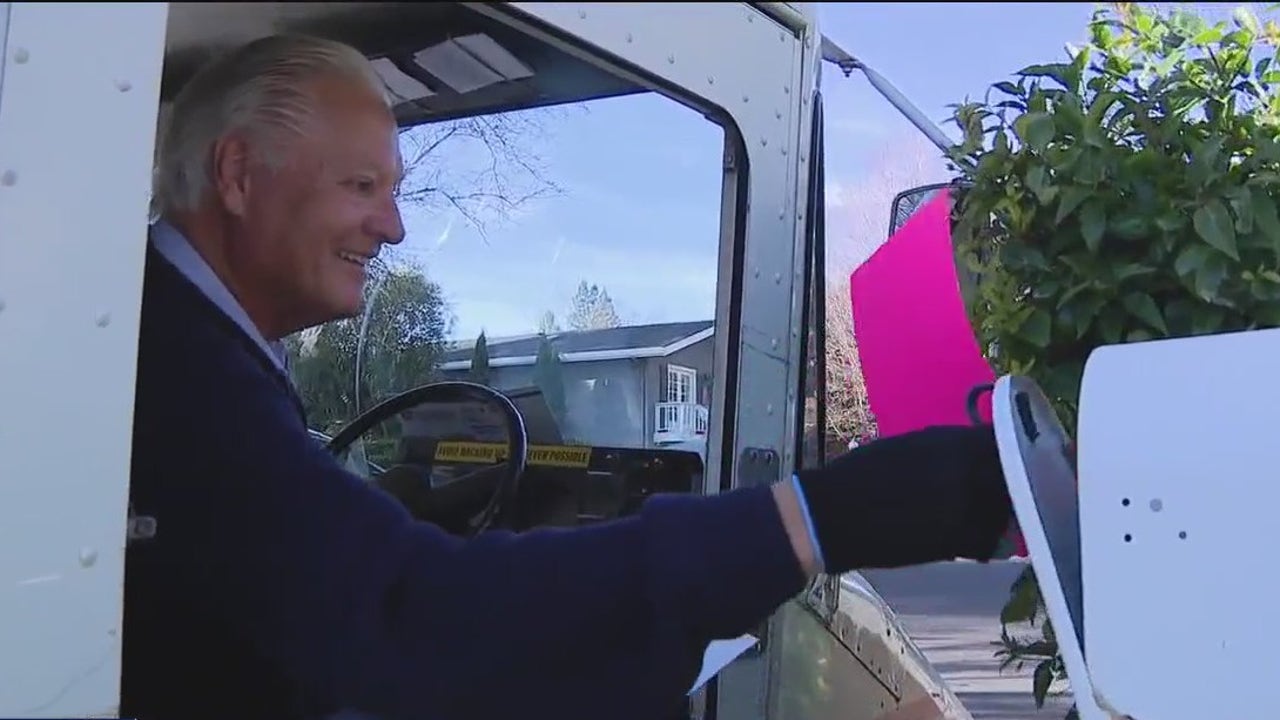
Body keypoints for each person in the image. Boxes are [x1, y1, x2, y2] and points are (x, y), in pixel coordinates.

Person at [121, 34, 1018, 720]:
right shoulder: (172, 369)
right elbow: (406, 616)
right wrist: (818, 517)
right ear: (239, 174)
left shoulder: (169, 340)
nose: (392, 228)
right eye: (363, 186)